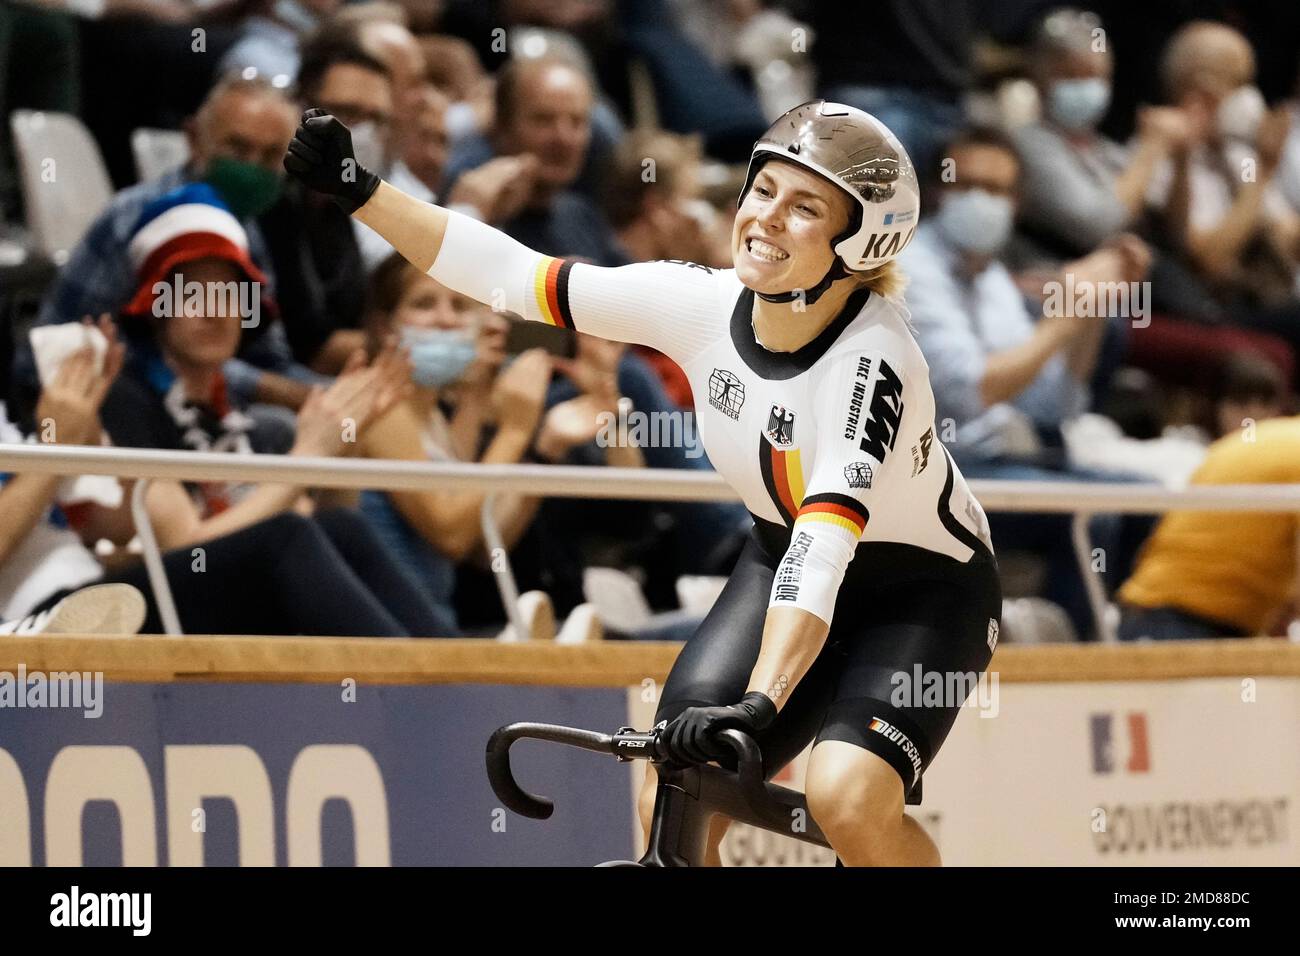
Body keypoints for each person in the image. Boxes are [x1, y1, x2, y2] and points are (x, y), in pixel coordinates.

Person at [284, 99, 1002, 866]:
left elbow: (825, 550)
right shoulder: (698, 304)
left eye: (805, 209)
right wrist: (362, 189)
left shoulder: (873, 360)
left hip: (921, 590)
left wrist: (758, 701)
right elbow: (512, 277)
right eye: (764, 191)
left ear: (859, 241)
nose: (766, 219)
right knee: (674, 786)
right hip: (781, 557)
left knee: (846, 797)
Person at [356, 253, 642, 629]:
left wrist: (543, 445)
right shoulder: (381, 406)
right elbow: (453, 535)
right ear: (383, 327)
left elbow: (483, 541)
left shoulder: (434, 417)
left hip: (439, 626)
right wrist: (516, 429)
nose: (446, 318)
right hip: (403, 639)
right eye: (424, 304)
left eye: (459, 306)